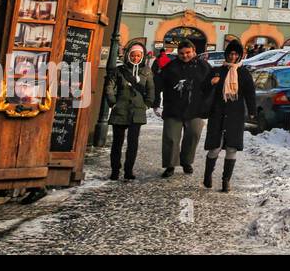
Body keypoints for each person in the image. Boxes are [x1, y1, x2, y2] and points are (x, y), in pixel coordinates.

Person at [203, 40, 256, 192]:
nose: (233, 57)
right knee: (215, 147)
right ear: (227, 54)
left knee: (232, 148)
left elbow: (250, 94)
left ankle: (226, 180)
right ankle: (208, 175)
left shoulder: (244, 73)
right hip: (218, 113)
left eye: (236, 54)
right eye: (230, 54)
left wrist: (252, 111)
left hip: (235, 114)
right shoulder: (217, 71)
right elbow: (203, 88)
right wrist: (212, 83)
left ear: (239, 56)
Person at [154, 40, 211, 177]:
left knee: (194, 134)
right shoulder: (170, 67)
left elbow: (210, 86)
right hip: (173, 108)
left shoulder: (203, 66)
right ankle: (170, 165)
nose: (185, 56)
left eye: (188, 53)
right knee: (171, 137)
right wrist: (156, 103)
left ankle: (186, 161)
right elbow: (158, 85)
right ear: (178, 53)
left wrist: (209, 104)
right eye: (181, 53)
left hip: (195, 108)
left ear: (193, 51)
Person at [105, 42, 154, 181]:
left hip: (137, 111)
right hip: (120, 109)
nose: (136, 58)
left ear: (142, 56)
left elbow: (151, 89)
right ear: (128, 55)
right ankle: (115, 170)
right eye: (133, 55)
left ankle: (128, 170)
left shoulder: (146, 71)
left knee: (133, 143)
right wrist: (112, 102)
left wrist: (148, 104)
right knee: (117, 143)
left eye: (138, 55)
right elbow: (110, 86)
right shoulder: (119, 70)